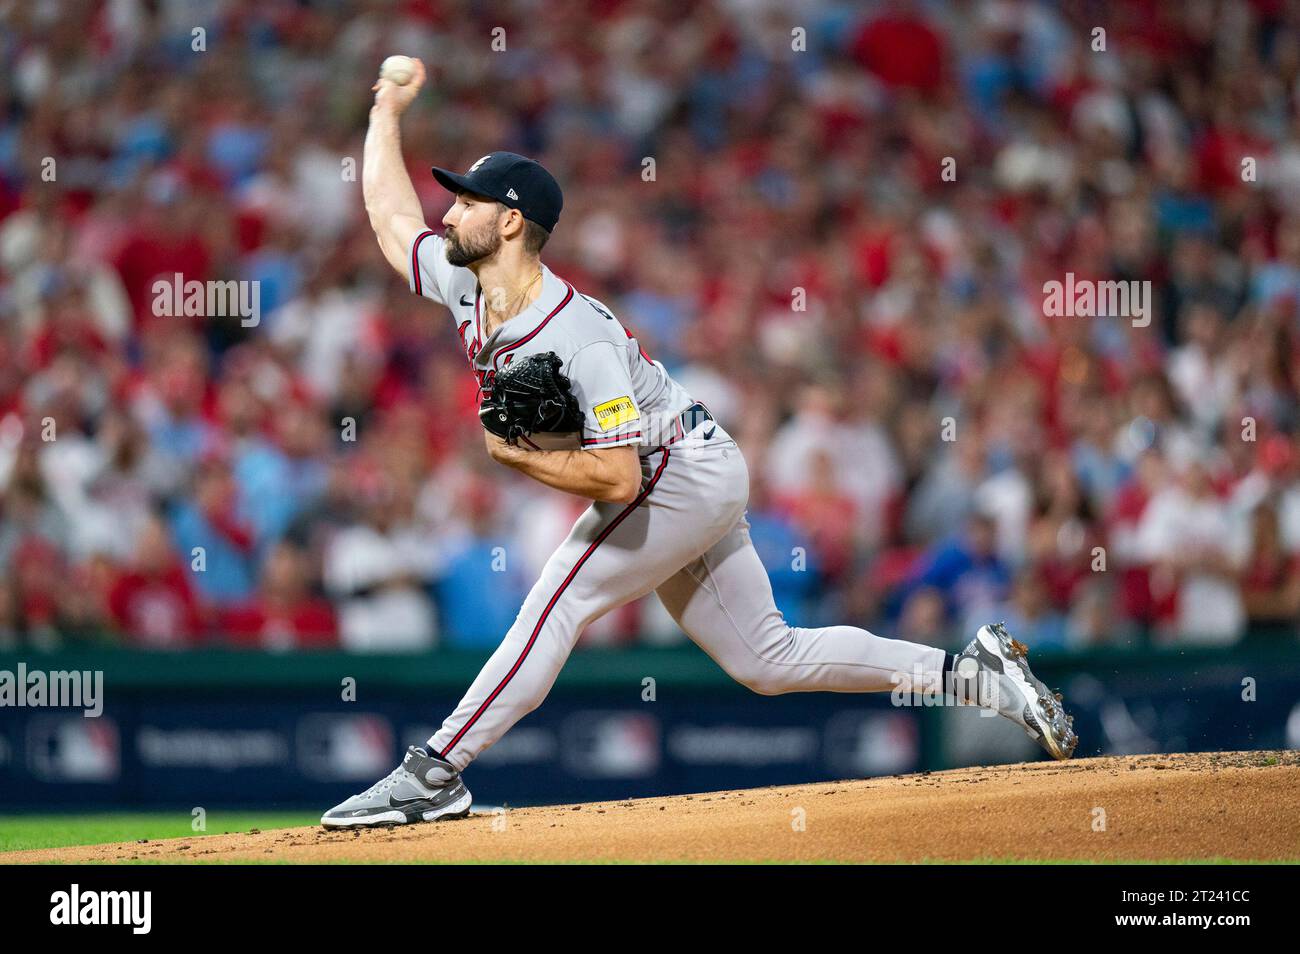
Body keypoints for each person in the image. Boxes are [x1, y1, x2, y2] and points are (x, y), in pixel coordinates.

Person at [321, 58, 1077, 829]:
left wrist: (521, 457)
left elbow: (616, 479)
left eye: (467, 202)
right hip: (689, 465)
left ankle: (436, 770)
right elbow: (390, 221)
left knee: (559, 597)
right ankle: (975, 675)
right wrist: (386, 111)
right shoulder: (467, 284)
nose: (448, 213)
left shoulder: (574, 333)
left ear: (511, 221)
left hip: (672, 466)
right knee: (768, 660)